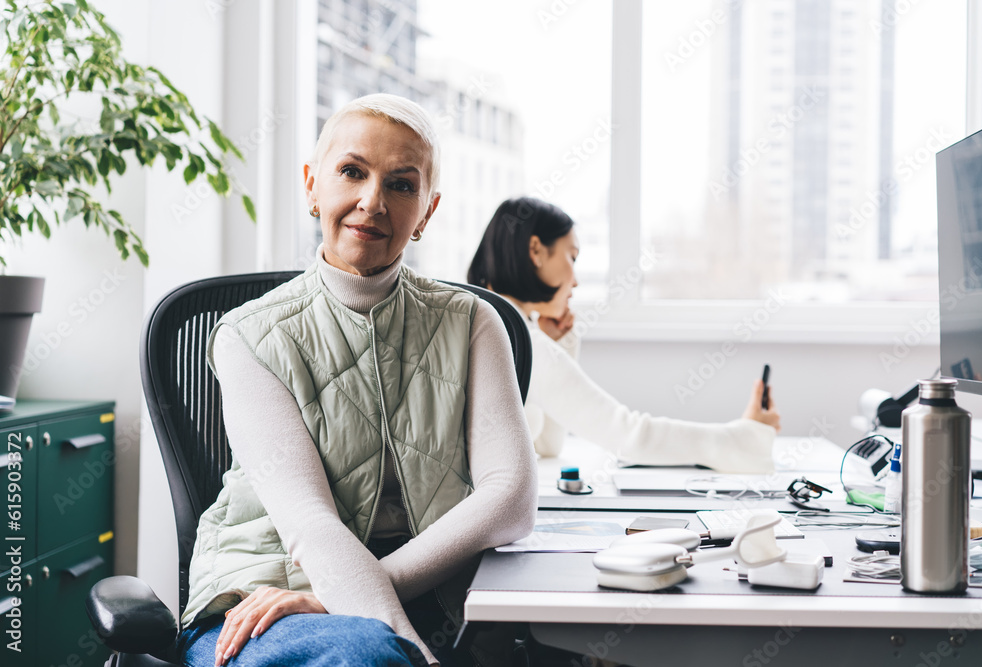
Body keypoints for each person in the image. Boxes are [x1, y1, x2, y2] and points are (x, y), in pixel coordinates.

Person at [175, 95, 537, 667]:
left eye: (401, 184)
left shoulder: (472, 321)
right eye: (351, 172)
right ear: (312, 184)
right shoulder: (246, 336)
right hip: (265, 602)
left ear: (427, 211)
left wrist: (338, 595)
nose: (372, 201)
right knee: (365, 656)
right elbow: (310, 525)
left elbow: (510, 498)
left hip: (429, 600)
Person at [467, 196, 780, 473]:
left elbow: (546, 445)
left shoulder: (489, 323)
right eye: (571, 257)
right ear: (536, 250)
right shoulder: (519, 340)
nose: (575, 281)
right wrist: (748, 435)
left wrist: (557, 345)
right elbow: (630, 436)